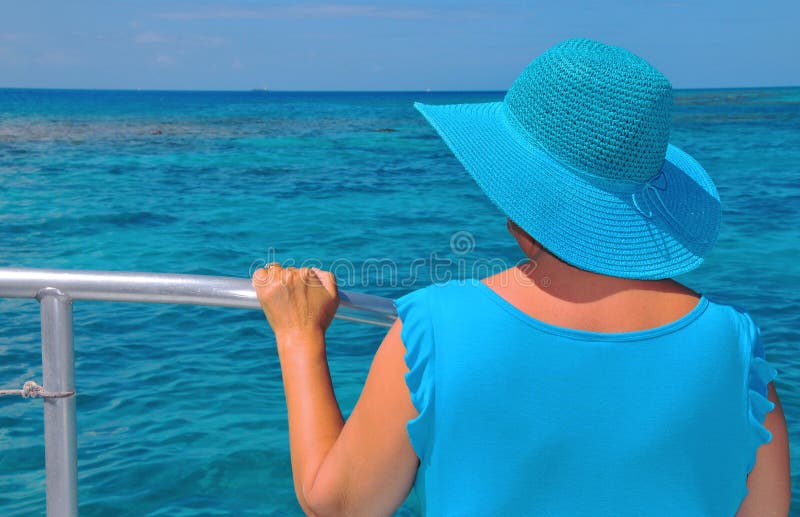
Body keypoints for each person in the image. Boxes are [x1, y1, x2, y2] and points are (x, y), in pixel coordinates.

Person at [252, 39, 790, 516]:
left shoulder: (435, 329)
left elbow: (340, 504)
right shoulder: (735, 344)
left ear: (517, 209)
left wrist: (299, 337)